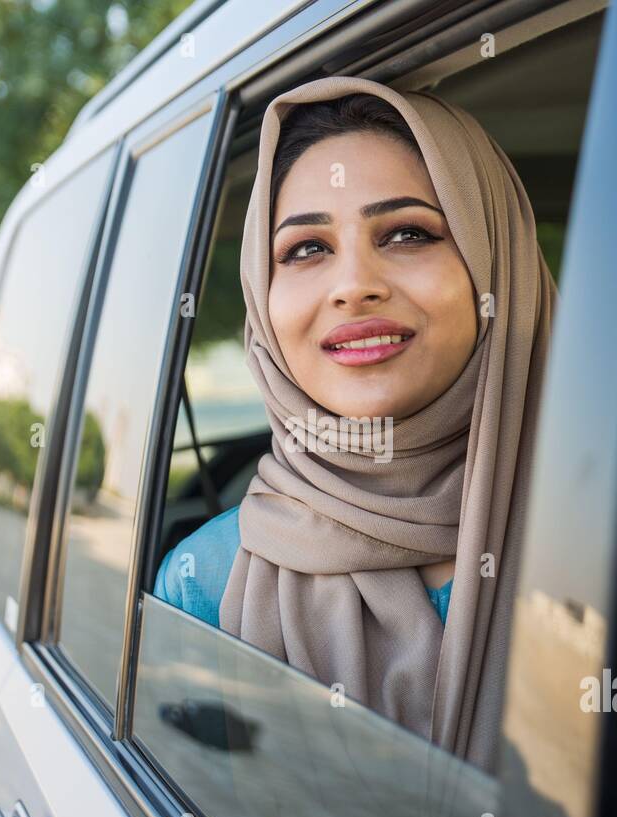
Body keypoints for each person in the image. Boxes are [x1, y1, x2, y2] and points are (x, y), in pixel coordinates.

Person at [155, 76, 555, 773]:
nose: (354, 284)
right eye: (306, 249)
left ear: (499, 267)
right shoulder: (202, 584)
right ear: (263, 296)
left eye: (408, 233)